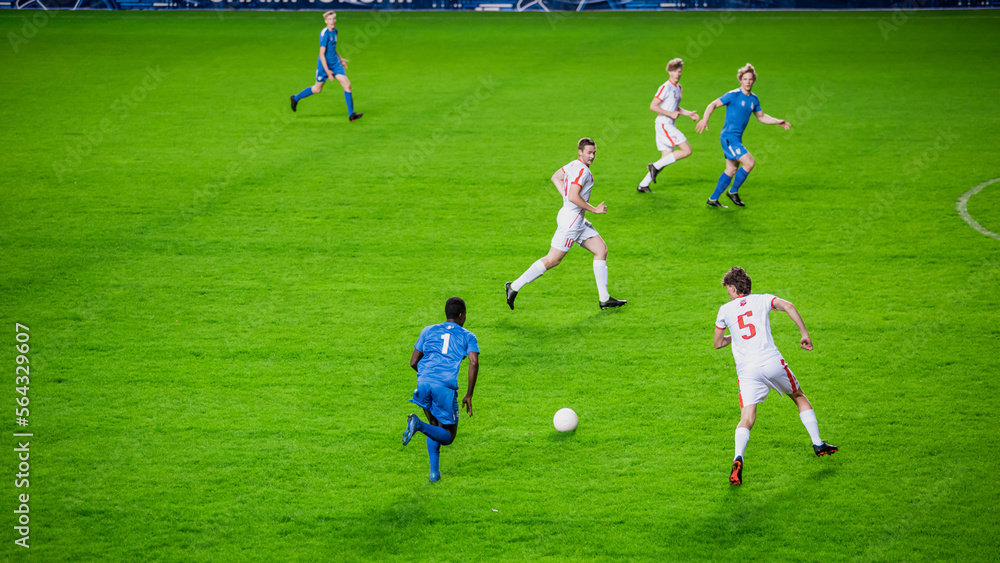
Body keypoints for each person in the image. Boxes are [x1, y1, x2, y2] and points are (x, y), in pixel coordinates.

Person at [713, 266, 837, 486]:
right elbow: (789, 306)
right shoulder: (762, 299)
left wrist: (737, 335)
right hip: (771, 362)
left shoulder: (725, 310)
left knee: (746, 418)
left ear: (732, 288)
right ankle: (818, 444)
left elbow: (718, 343)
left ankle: (738, 458)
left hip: (747, 371)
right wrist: (804, 334)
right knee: (798, 396)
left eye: (728, 290)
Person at [505, 138, 626, 310]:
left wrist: (568, 198)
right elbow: (573, 196)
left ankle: (605, 299)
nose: (592, 156)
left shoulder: (572, 165)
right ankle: (514, 286)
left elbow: (556, 178)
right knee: (552, 259)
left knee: (601, 250)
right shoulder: (583, 171)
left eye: (594, 153)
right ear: (580, 152)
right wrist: (594, 209)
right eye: (589, 153)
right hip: (572, 222)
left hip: (575, 219)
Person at [402, 297, 479, 483]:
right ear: (461, 315)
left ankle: (434, 473)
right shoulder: (468, 336)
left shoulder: (428, 330)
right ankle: (418, 425)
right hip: (444, 386)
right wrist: (469, 395)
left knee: (434, 426)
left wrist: (426, 378)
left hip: (423, 382)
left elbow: (413, 362)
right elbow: (474, 362)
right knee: (448, 435)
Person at [695, 63, 789, 208]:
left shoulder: (754, 99)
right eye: (745, 79)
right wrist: (705, 119)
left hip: (736, 139)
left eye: (750, 79)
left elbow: (761, 116)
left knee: (731, 169)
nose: (748, 82)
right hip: (729, 138)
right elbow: (712, 104)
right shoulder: (733, 95)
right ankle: (733, 191)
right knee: (749, 162)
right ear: (740, 80)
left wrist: (777, 121)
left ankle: (713, 199)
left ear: (754, 80)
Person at [637, 58, 699, 193]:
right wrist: (670, 114)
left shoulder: (679, 87)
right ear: (669, 72)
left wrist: (689, 114)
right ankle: (654, 166)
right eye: (674, 71)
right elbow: (653, 106)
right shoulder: (665, 87)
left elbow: (675, 107)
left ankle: (643, 184)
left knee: (666, 158)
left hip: (667, 124)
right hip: (664, 125)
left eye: (679, 71)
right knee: (687, 150)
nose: (677, 74)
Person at [289, 11, 363, 122]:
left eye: (334, 19)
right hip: (324, 65)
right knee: (317, 89)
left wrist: (340, 59)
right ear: (326, 21)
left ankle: (351, 115)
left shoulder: (335, 31)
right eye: (329, 19)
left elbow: (332, 48)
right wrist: (327, 71)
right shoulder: (324, 34)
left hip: (335, 64)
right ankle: (295, 98)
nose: (332, 21)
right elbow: (322, 54)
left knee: (347, 85)